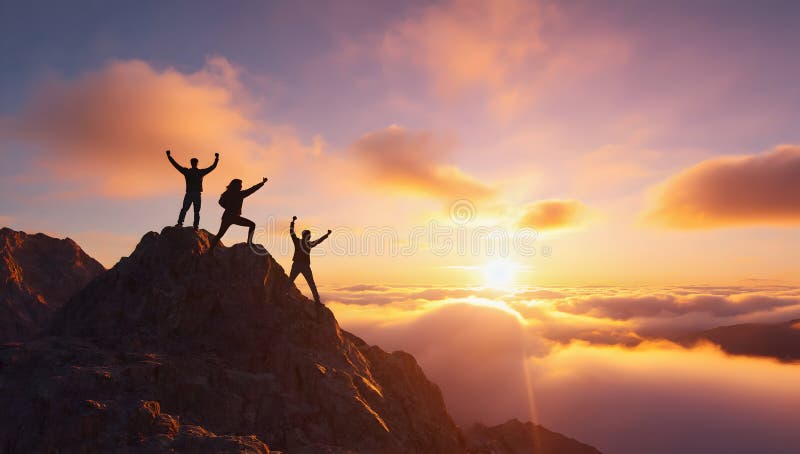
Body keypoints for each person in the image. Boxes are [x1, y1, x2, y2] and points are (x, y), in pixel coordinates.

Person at [209, 177, 268, 250]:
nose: (241, 186)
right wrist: (262, 183)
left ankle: (210, 250)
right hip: (233, 217)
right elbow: (252, 189)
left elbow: (220, 202)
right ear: (236, 186)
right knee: (252, 225)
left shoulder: (227, 193)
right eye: (240, 185)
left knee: (220, 234)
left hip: (227, 216)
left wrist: (227, 207)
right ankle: (249, 243)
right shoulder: (240, 194)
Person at [166, 149, 219, 230]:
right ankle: (184, 224)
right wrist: (169, 156)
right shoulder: (194, 172)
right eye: (193, 162)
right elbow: (176, 165)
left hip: (194, 193)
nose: (194, 164)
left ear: (195, 163)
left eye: (194, 162)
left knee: (192, 210)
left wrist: (216, 159)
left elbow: (212, 167)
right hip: (192, 193)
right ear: (194, 163)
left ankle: (192, 225)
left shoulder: (192, 172)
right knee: (188, 210)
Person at [288, 216, 331, 304]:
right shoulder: (309, 244)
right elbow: (319, 241)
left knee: (290, 281)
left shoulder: (298, 241)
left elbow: (291, 232)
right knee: (311, 283)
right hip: (304, 266)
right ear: (308, 236)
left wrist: (292, 222)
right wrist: (327, 235)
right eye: (309, 235)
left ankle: (284, 294)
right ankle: (317, 301)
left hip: (297, 264)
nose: (310, 236)